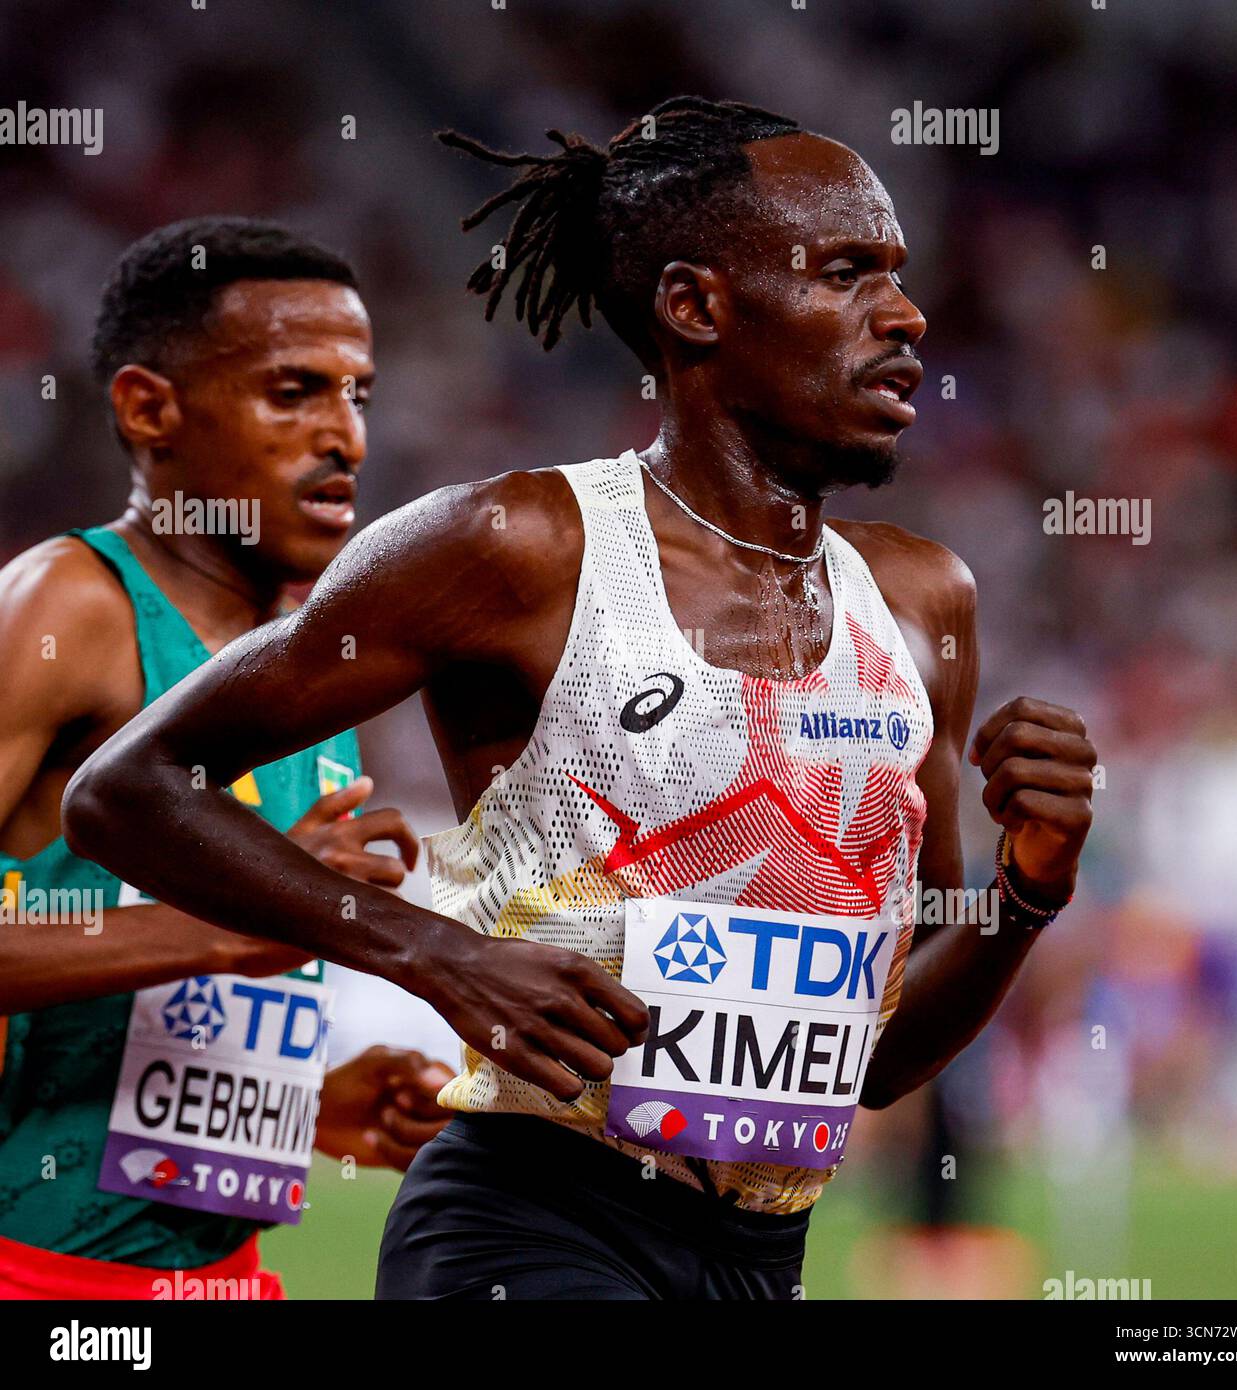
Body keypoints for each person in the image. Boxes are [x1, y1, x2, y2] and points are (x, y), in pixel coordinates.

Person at [65, 100, 1097, 1301]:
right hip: (532, 1228)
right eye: (847, 271)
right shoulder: (519, 546)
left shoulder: (924, 602)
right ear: (695, 306)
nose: (906, 315)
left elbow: (878, 1059)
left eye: (900, 276)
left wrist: (1028, 891)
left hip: (763, 1257)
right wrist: (434, 955)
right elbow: (127, 786)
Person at [0, 218, 453, 1300]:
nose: (344, 436)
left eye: (359, 395)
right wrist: (242, 917)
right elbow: (227, 938)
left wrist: (316, 1108)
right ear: (150, 409)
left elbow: (155, 1028)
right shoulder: (73, 608)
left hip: (218, 1280)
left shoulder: (301, 663)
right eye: (293, 391)